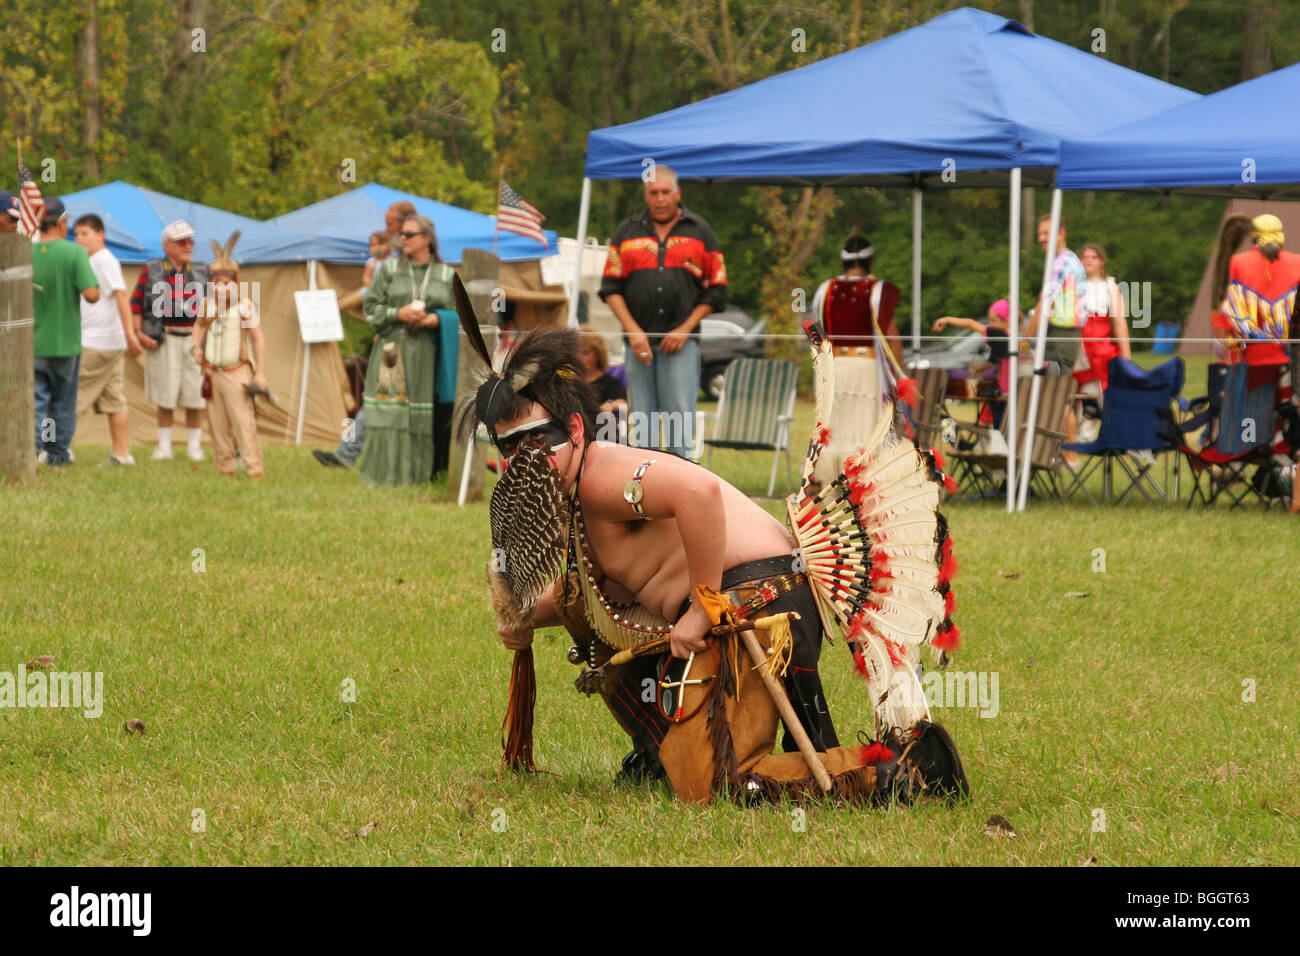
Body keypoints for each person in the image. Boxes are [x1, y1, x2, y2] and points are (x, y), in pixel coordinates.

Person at [467, 326, 968, 806]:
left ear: (574, 429)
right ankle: (660, 752)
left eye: (534, 442)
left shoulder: (601, 476)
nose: (520, 462)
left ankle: (906, 767)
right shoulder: (576, 493)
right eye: (506, 448)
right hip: (746, 598)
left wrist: (702, 609)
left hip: (759, 602)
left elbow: (698, 492)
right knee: (591, 618)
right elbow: (587, 596)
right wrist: (522, 617)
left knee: (717, 782)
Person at [600, 165, 726, 460]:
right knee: (642, 418)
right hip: (638, 343)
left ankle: (682, 488)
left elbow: (718, 289)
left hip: (681, 344)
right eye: (653, 193)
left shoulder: (700, 231)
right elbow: (610, 287)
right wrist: (632, 331)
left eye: (665, 192)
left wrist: (685, 329)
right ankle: (645, 489)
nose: (660, 198)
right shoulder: (626, 232)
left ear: (677, 193)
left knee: (679, 418)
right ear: (646, 195)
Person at [1208, 213, 1300, 515]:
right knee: (1286, 422)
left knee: (1248, 422)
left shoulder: (1238, 263)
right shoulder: (1297, 262)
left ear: (1253, 238)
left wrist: (1223, 349)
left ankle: (1238, 463)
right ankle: (1283, 470)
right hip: (1288, 361)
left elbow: (1225, 313)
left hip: (1247, 359)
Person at [358, 214, 454, 486]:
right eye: (401, 233)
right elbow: (370, 309)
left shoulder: (446, 275)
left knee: (420, 413)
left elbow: (462, 317)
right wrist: (396, 312)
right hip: (392, 349)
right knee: (390, 410)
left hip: (427, 354)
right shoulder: (388, 270)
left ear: (427, 239)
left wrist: (437, 319)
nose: (402, 238)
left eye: (409, 234)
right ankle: (384, 476)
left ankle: (418, 476)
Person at [808, 235, 904, 482]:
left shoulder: (825, 290)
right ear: (871, 261)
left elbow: (813, 330)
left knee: (836, 425)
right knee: (862, 427)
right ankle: (859, 480)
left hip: (833, 368)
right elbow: (892, 336)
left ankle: (830, 479)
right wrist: (900, 375)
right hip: (865, 368)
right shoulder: (877, 290)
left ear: (842, 262)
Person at [129, 220, 208, 461]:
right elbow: (136, 305)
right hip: (163, 339)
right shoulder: (152, 269)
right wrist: (139, 334)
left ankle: (195, 446)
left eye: (190, 241)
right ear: (167, 246)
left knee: (196, 395)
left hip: (194, 341)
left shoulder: (202, 270)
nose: (188, 246)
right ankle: (164, 447)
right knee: (165, 394)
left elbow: (212, 309)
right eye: (182, 241)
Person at [190, 233, 266, 478]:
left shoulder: (245, 306)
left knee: (243, 424)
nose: (220, 287)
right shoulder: (206, 305)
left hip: (237, 372)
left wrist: (261, 373)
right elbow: (200, 327)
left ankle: (254, 468)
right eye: (216, 282)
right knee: (217, 424)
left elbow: (258, 339)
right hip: (213, 372)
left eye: (226, 282)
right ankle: (224, 468)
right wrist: (196, 348)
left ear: (236, 282)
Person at [32, 198, 100, 467]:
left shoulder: (24, 252)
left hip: (32, 343)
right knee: (61, 403)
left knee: (37, 402)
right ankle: (58, 456)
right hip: (66, 342)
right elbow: (92, 294)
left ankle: (31, 454)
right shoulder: (74, 253)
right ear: (61, 222)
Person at [73, 214, 141, 466]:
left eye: (85, 233)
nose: (79, 239)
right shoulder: (93, 260)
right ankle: (122, 455)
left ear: (100, 235)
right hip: (111, 345)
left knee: (71, 397)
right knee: (114, 399)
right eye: (77, 234)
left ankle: (57, 450)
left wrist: (130, 335)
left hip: (96, 343)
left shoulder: (103, 259)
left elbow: (122, 296)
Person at [934, 298, 1012, 428]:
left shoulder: (998, 334)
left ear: (1007, 321)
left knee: (999, 426)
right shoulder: (1017, 337)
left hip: (1001, 393)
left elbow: (970, 323)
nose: (990, 325)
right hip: (1004, 393)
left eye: (993, 321)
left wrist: (947, 319)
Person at [1075, 243, 1130, 397]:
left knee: (1099, 394)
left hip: (1101, 348)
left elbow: (1119, 322)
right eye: (1085, 257)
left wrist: (1126, 359)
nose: (1089, 261)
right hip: (1077, 347)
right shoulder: (1073, 285)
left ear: (1101, 262)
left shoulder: (1110, 286)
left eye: (1094, 257)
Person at [577, 329, 627, 415]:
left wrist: (612, 404)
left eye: (585, 353)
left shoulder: (611, 382)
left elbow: (624, 406)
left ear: (597, 355)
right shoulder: (569, 382)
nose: (579, 357)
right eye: (576, 352)